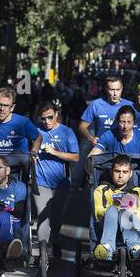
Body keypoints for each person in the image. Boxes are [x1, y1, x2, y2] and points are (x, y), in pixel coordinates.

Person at [34, 100, 79, 258]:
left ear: (57, 115)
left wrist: (55, 152)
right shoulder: (36, 131)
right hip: (40, 181)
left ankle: (56, 239)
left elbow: (75, 157)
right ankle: (43, 252)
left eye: (50, 117)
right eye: (43, 118)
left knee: (57, 217)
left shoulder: (67, 132)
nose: (46, 122)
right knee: (42, 215)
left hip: (61, 183)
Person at [92, 157, 140, 261]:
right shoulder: (100, 190)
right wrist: (116, 207)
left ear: (130, 174)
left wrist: (128, 209)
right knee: (112, 209)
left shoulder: (139, 192)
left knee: (125, 213)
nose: (120, 175)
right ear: (111, 173)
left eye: (125, 172)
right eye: (117, 171)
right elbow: (98, 212)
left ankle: (136, 249)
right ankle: (107, 248)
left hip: (133, 224)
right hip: (108, 224)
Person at [78, 74, 131, 149]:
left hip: (123, 150)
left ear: (122, 89)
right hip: (101, 150)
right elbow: (82, 126)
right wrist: (90, 138)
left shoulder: (130, 106)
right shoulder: (96, 105)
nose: (115, 93)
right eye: (112, 90)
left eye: (118, 90)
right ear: (106, 89)